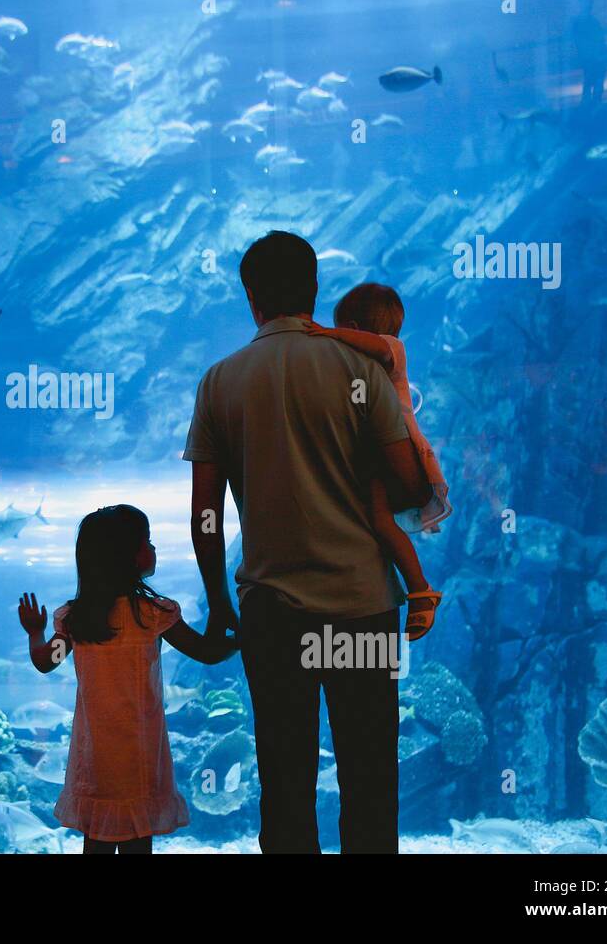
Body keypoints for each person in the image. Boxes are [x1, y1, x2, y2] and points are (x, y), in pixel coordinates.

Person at [184, 231, 432, 854]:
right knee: (371, 779)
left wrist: (218, 601)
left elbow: (206, 517)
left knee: (285, 783)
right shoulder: (361, 371)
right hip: (363, 609)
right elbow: (407, 486)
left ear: (251, 297)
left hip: (271, 613)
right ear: (315, 291)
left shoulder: (220, 382)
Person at [17, 504, 235, 854]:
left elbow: (46, 662)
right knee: (138, 840)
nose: (153, 549)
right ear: (129, 557)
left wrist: (35, 632)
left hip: (96, 759)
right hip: (140, 758)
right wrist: (237, 635)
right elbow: (208, 652)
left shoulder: (78, 619)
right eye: (146, 542)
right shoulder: (153, 613)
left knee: (97, 841)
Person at [304, 282, 450, 640]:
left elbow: (374, 345)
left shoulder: (391, 349)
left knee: (382, 523)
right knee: (377, 520)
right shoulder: (360, 365)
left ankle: (420, 591)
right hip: (379, 455)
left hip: (399, 453)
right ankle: (418, 574)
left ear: (353, 329)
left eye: (346, 331)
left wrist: (328, 334)